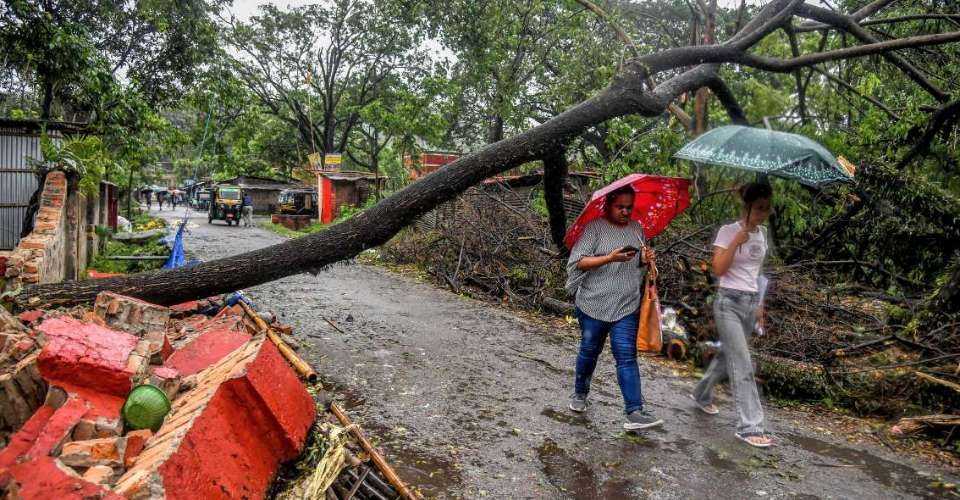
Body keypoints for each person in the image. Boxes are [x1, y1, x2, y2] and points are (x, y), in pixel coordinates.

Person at [565, 185, 662, 430]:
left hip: (626, 305)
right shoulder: (594, 228)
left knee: (626, 356)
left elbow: (637, 266)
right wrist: (610, 257)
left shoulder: (637, 229)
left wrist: (644, 259)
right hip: (593, 303)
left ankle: (634, 410)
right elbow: (579, 262)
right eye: (620, 207)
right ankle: (580, 393)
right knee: (589, 351)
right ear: (608, 205)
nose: (626, 212)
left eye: (629, 207)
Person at [691, 181, 774, 448]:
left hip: (750, 304)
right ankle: (749, 426)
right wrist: (737, 240)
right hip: (728, 302)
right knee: (743, 363)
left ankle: (701, 393)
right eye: (759, 208)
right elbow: (718, 269)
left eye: (767, 209)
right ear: (747, 206)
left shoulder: (762, 235)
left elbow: (756, 273)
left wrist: (760, 304)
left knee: (728, 357)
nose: (763, 213)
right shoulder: (728, 231)